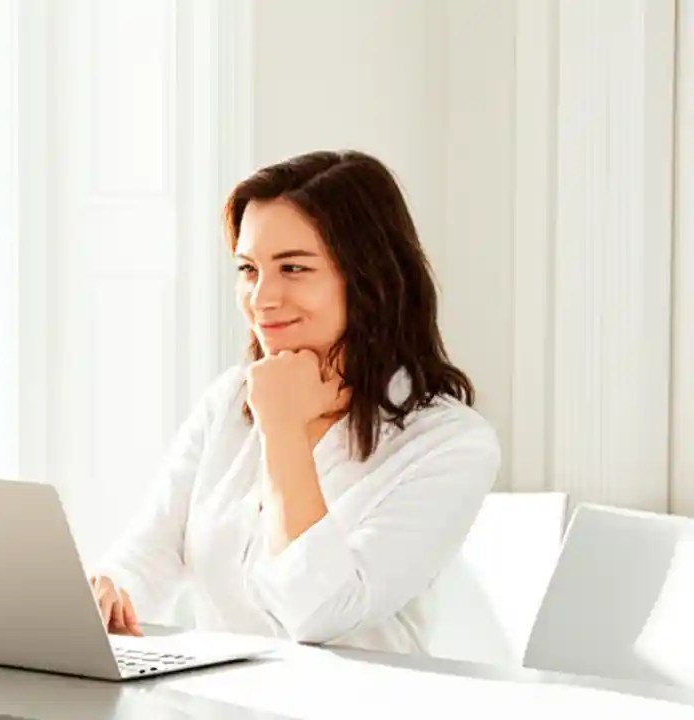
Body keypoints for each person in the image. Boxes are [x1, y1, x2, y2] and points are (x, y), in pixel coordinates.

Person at [91, 150, 500, 654]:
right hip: (216, 694)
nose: (261, 298)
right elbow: (147, 556)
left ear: (369, 278)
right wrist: (110, 590)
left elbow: (319, 614)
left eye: (293, 268)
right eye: (248, 269)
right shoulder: (230, 401)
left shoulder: (450, 443)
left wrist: (283, 429)